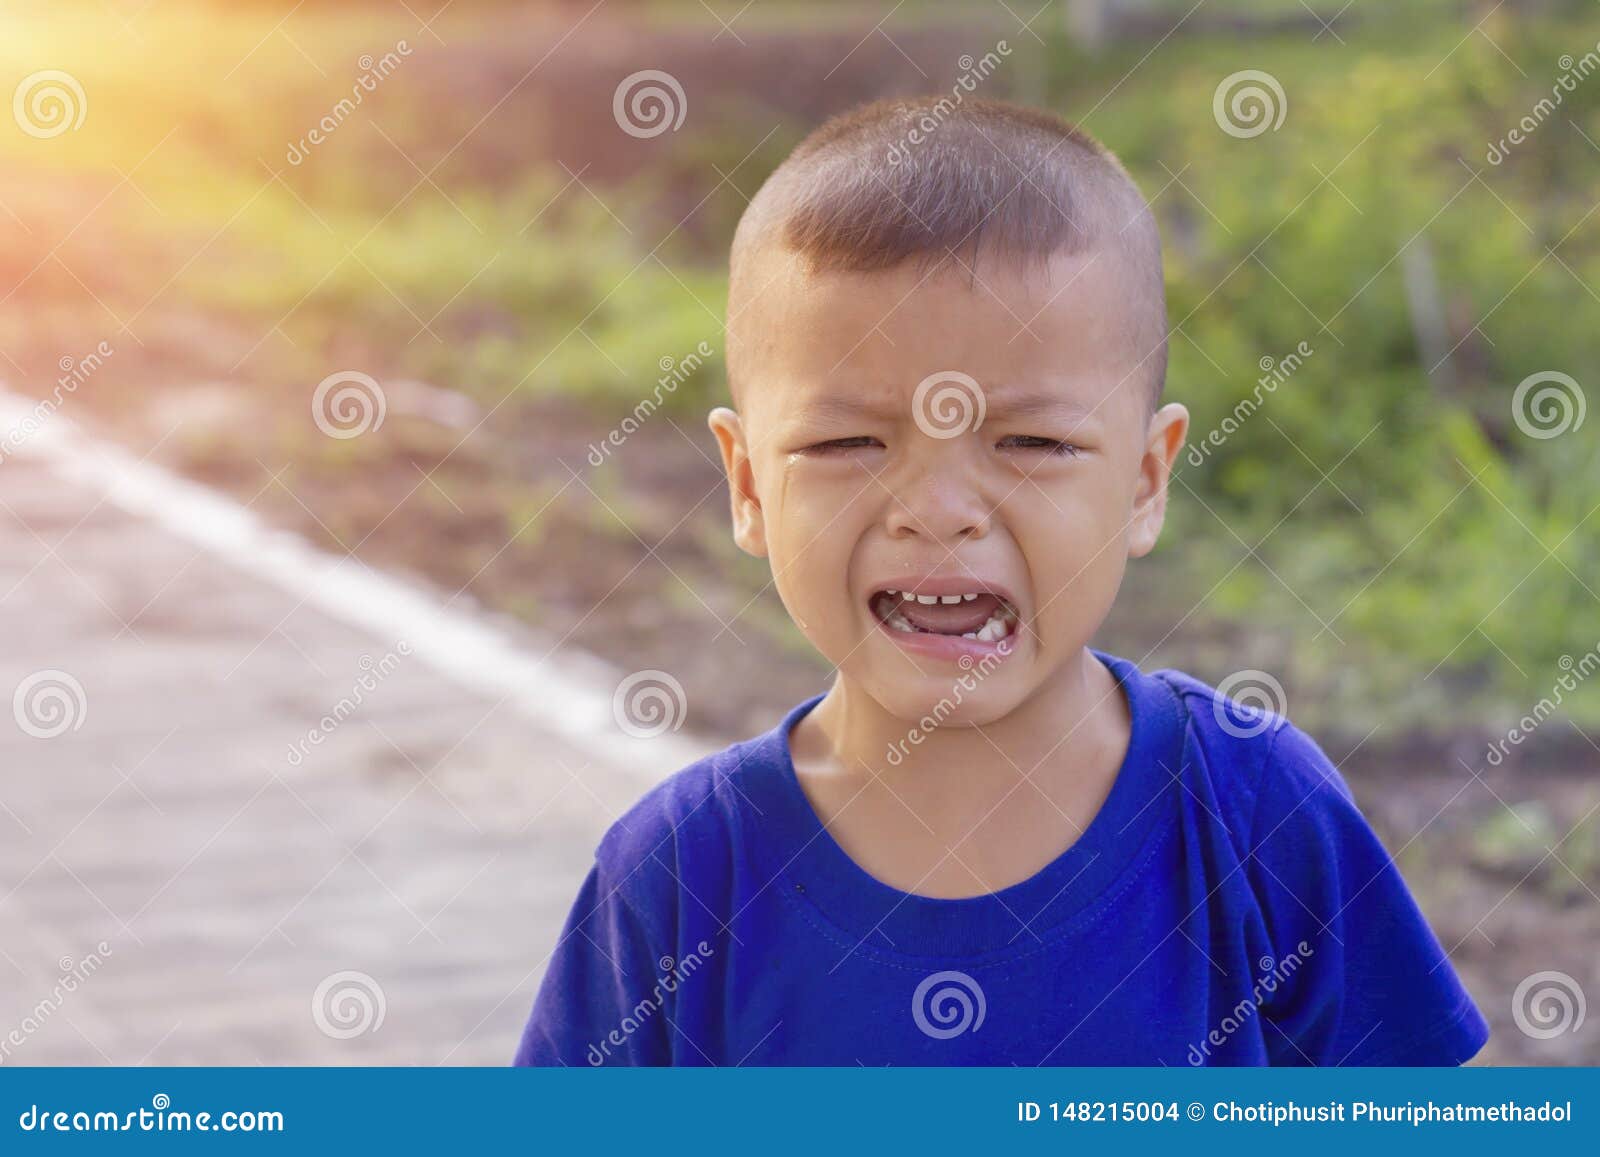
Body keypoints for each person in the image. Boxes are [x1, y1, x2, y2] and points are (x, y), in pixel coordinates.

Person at [513, 96, 1489, 1066]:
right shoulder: (678, 880)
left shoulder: (1253, 814)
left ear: (1144, 481)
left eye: (1030, 442)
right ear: (748, 483)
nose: (937, 508)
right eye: (848, 441)